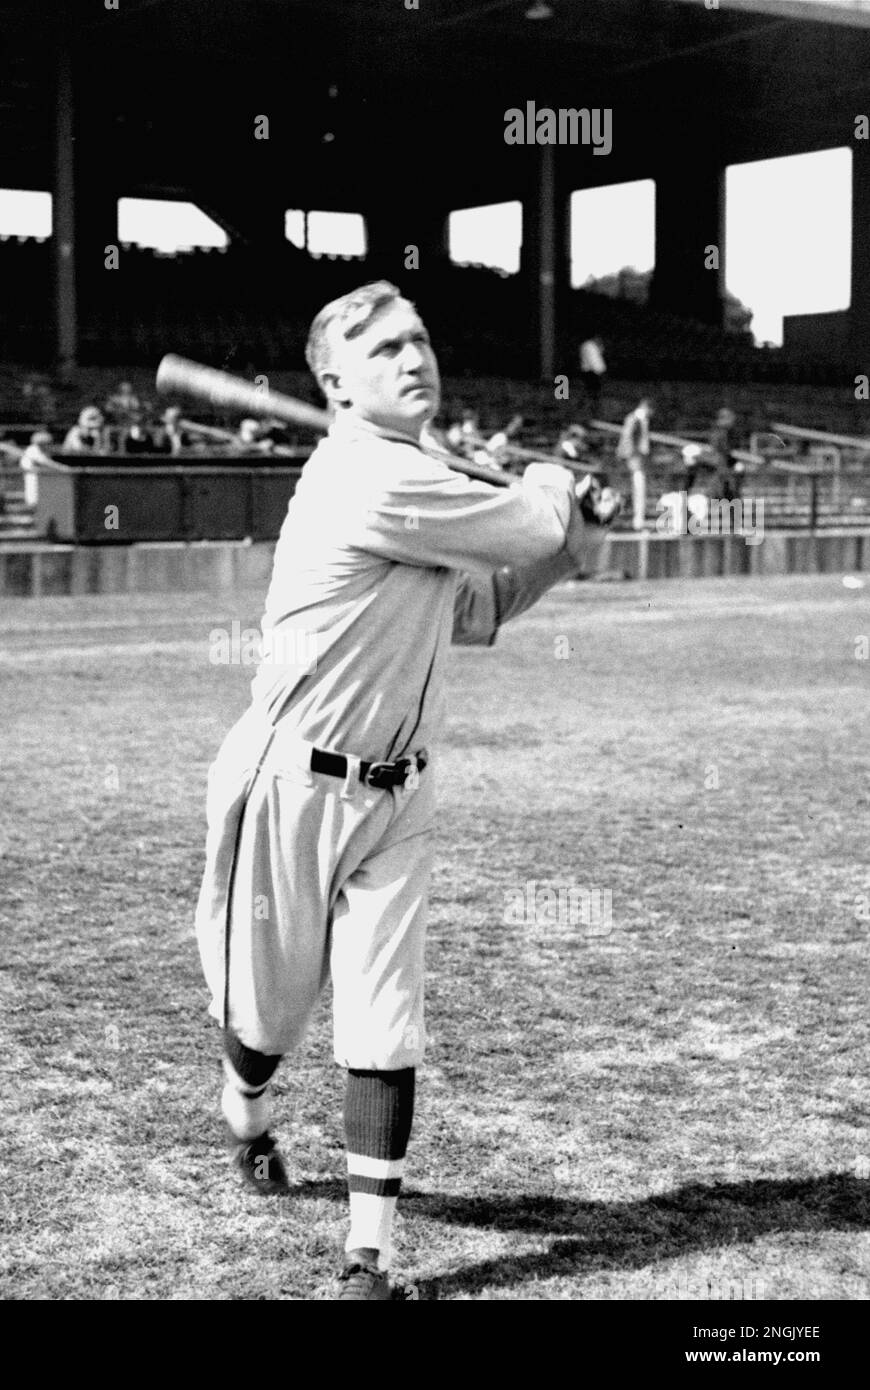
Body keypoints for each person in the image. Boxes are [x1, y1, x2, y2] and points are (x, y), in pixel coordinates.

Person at [193, 280, 602, 1301]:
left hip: (397, 794)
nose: (411, 357)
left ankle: (366, 1261)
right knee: (268, 1020)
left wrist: (565, 554)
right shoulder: (366, 480)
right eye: (381, 349)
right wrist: (556, 494)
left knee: (384, 1018)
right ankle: (244, 1116)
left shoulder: (417, 482)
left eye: (417, 340)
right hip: (291, 781)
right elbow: (521, 523)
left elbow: (476, 608)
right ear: (334, 382)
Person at [616, 397, 653, 529]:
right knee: (637, 487)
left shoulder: (641, 420)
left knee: (639, 488)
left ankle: (638, 519)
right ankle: (637, 520)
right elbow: (627, 439)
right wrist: (630, 456)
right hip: (634, 460)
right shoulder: (634, 419)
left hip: (638, 459)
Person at [578, 335, 606, 414]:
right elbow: (593, 360)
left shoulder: (591, 345)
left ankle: (584, 405)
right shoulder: (589, 346)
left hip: (591, 371)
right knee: (594, 391)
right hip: (592, 371)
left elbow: (599, 355)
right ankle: (594, 408)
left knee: (589, 389)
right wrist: (599, 372)